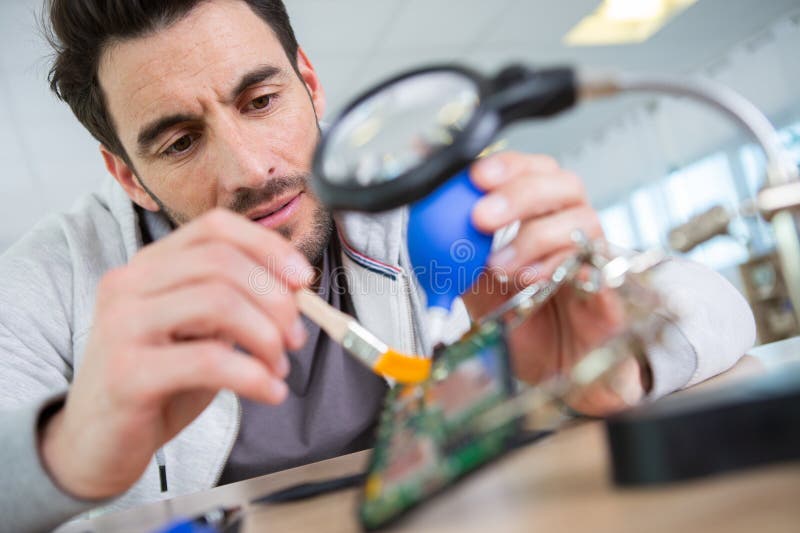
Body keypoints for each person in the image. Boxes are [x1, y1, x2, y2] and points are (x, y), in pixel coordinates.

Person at [0, 1, 755, 531]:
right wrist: (67, 449)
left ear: (310, 83)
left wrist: (621, 359)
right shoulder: (53, 280)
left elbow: (719, 305)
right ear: (127, 173)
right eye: (178, 142)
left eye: (261, 100)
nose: (249, 169)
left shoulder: (422, 198)